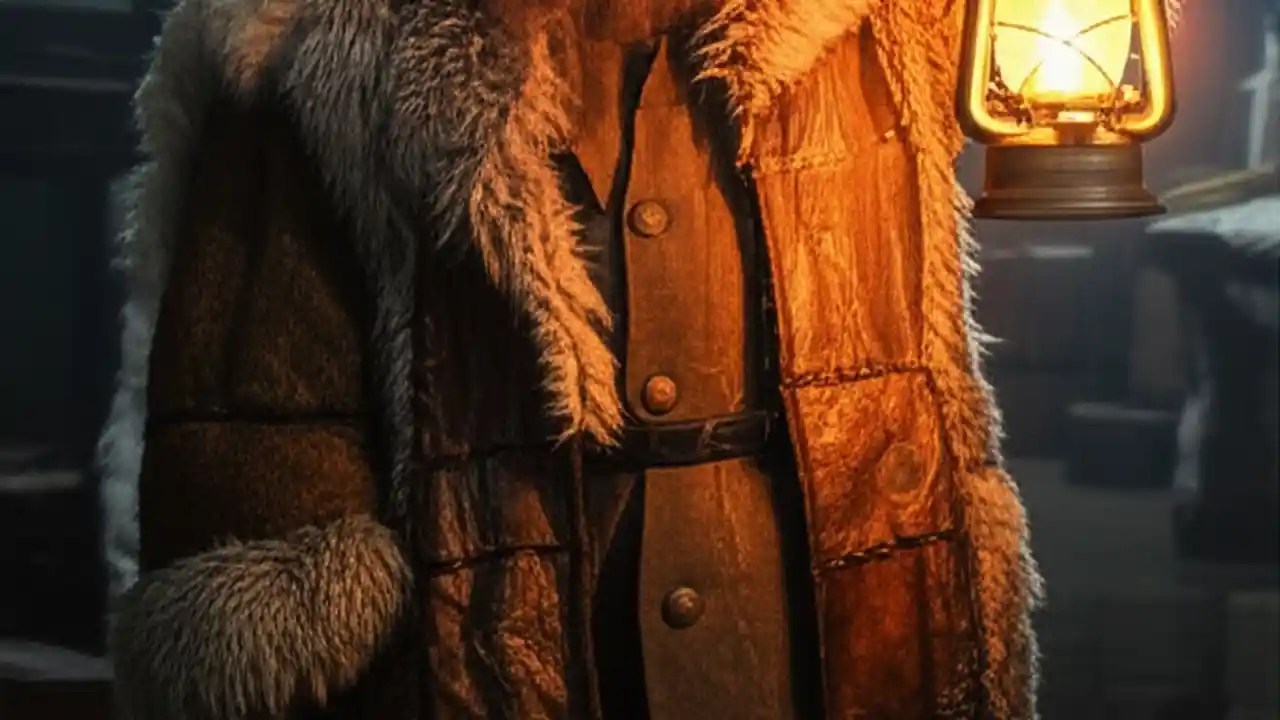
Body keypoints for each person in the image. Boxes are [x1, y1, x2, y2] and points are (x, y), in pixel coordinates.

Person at [103, 0, 1041, 717]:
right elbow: (261, 482)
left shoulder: (892, 23)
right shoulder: (323, 45)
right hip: (497, 669)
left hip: (832, 655)